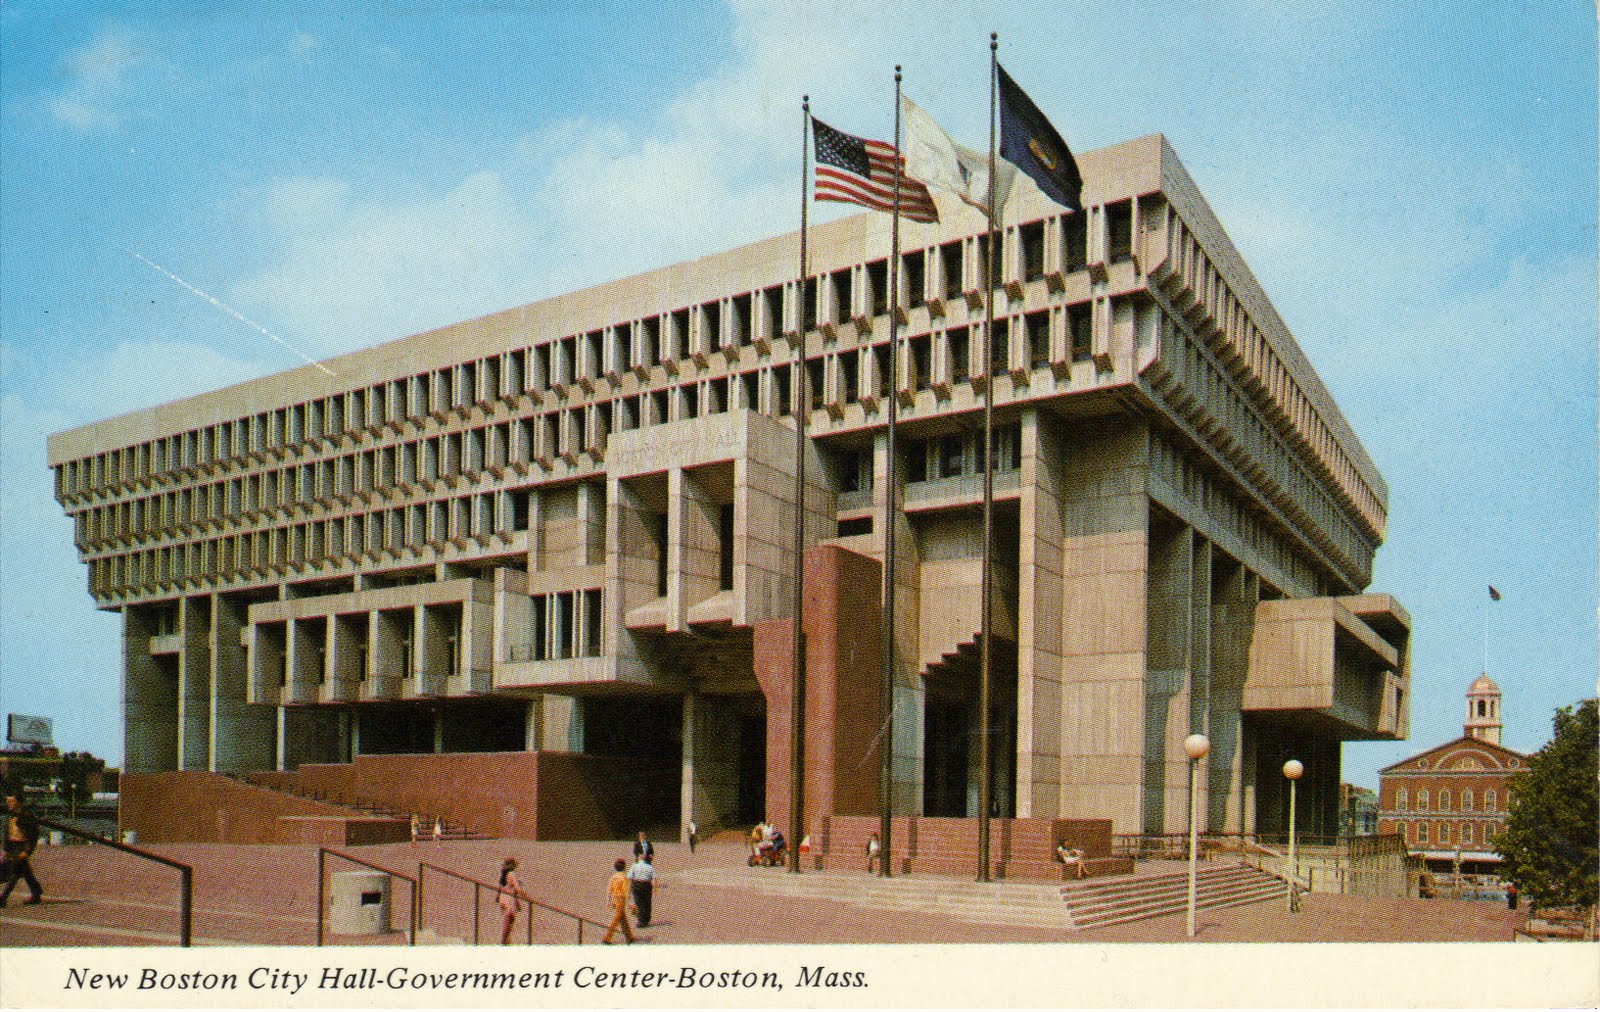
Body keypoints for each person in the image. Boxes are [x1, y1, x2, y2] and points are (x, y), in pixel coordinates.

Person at [0, 795, 42, 908]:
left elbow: (33, 835)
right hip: (13, 846)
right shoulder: (10, 814)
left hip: (22, 846)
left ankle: (3, 898)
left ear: (18, 802)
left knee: (15, 872)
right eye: (7, 801)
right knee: (25, 872)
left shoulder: (26, 815)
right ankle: (36, 893)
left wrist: (27, 851)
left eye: (12, 801)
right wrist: (6, 850)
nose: (9, 803)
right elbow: (7, 833)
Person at [601, 858, 634, 944]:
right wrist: (630, 902)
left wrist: (608, 901)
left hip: (615, 898)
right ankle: (606, 938)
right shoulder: (623, 878)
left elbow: (609, 890)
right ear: (624, 868)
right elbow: (626, 891)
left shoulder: (613, 877)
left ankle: (629, 936)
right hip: (621, 899)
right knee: (617, 918)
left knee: (623, 918)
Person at [496, 858, 525, 945]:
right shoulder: (512, 874)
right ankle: (504, 940)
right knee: (509, 919)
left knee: (509, 919)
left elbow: (500, 888)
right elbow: (517, 889)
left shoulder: (503, 874)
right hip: (509, 898)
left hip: (503, 897)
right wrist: (526, 896)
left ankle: (506, 939)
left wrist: (517, 904)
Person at [627, 853, 656, 927]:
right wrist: (654, 888)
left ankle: (641, 921)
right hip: (646, 885)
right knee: (647, 903)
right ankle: (646, 920)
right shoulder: (650, 867)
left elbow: (630, 878)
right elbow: (654, 879)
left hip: (637, 884)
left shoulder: (634, 865)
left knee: (639, 903)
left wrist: (628, 891)